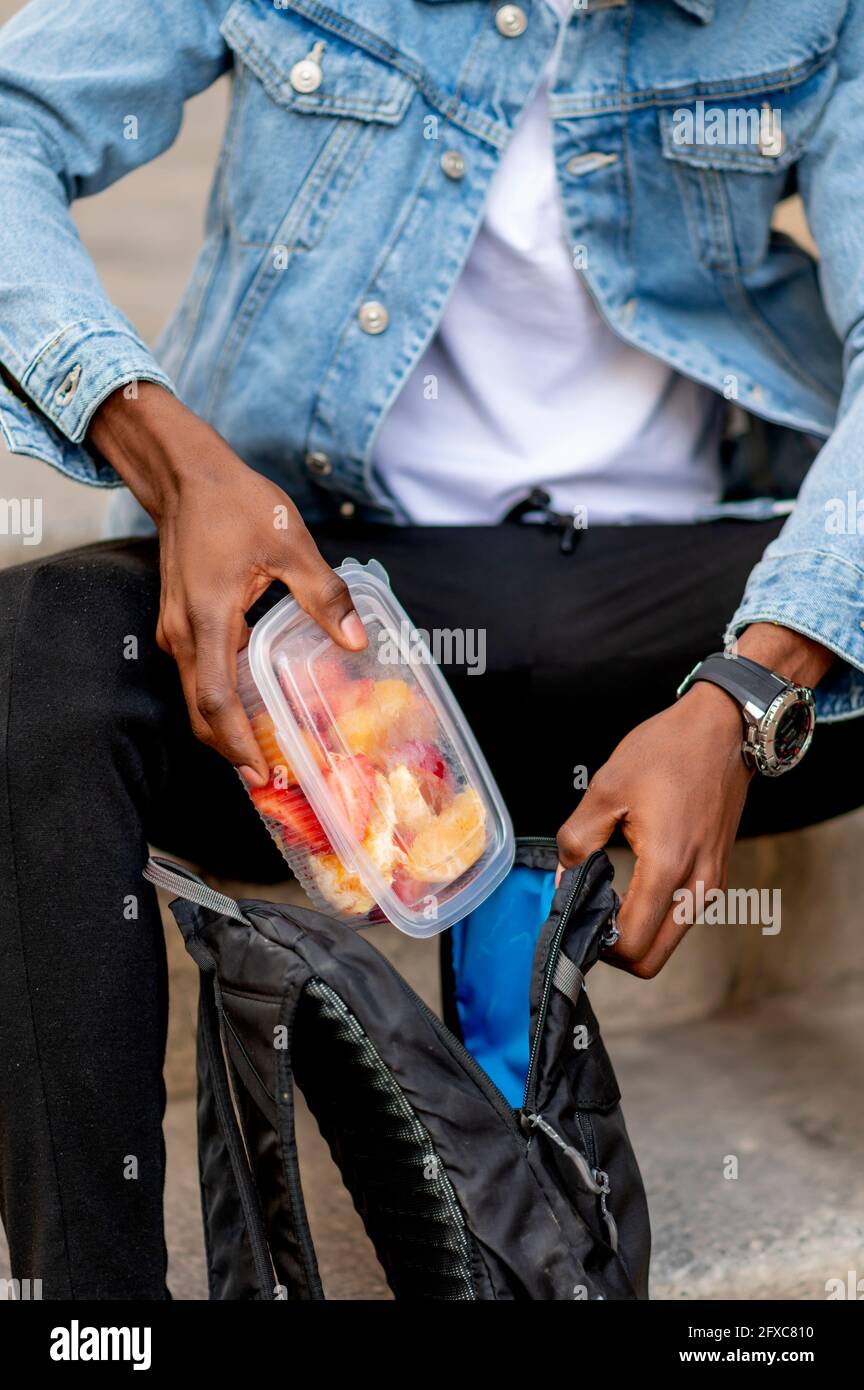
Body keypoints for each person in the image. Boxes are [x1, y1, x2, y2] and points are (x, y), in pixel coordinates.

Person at [0, 0, 862, 1300]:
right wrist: (174, 461)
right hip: (329, 626)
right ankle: (94, 1318)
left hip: (673, 627)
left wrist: (756, 682)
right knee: (39, 644)